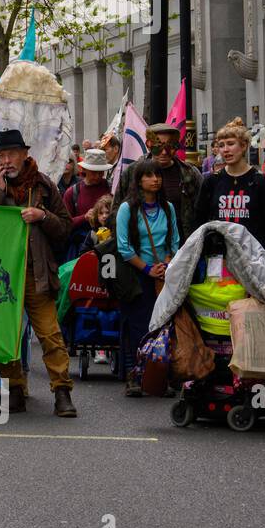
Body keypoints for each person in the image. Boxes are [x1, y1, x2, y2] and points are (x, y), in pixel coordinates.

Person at [0, 128, 78, 418]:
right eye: (1, 155)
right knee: (6, 335)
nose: (6, 160)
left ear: (24, 155)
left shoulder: (44, 186)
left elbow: (65, 228)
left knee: (50, 335)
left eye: (11, 154)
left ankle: (62, 391)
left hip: (38, 274)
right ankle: (15, 390)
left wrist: (42, 216)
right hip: (3, 277)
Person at [115, 159, 179, 396]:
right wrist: (147, 269)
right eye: (149, 175)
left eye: (158, 175)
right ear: (139, 180)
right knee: (138, 327)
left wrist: (166, 264)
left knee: (163, 326)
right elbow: (123, 247)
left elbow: (174, 241)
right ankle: (134, 376)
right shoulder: (127, 209)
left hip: (163, 275)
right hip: (137, 275)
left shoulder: (168, 208)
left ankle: (159, 377)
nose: (155, 180)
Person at [194, 118, 265, 264]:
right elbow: (200, 219)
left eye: (230, 144)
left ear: (243, 146)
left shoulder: (261, 181)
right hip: (219, 257)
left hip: (254, 257)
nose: (225, 150)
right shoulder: (212, 181)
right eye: (221, 145)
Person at [114, 123, 202, 242]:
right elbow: (117, 208)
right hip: (143, 245)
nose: (164, 152)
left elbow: (203, 209)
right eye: (158, 147)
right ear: (149, 146)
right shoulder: (133, 172)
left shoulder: (190, 173)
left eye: (169, 147)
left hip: (183, 243)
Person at [62, 148, 113, 261]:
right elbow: (64, 223)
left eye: (101, 172)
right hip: (81, 247)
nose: (98, 176)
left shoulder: (110, 188)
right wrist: (84, 217)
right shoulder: (72, 192)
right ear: (84, 169)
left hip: (109, 247)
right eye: (94, 172)